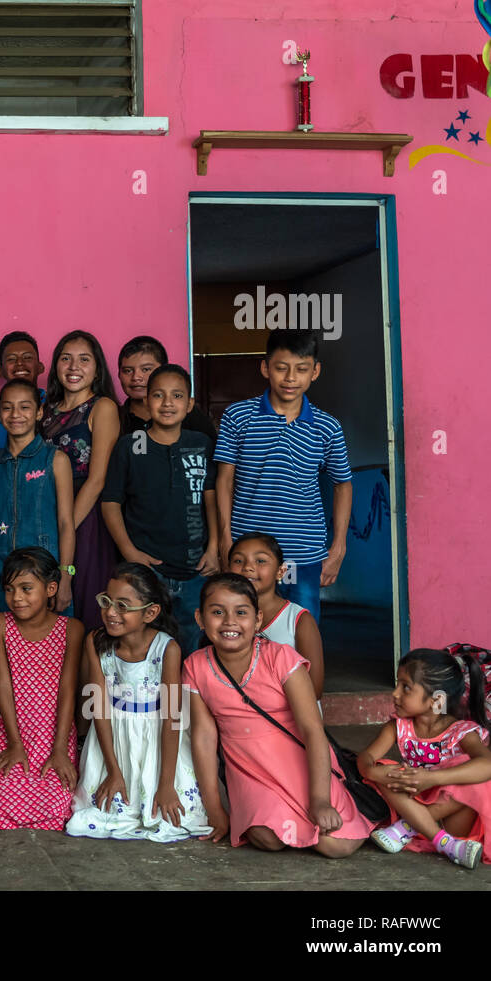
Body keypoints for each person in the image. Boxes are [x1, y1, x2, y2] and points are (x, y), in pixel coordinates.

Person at [184, 573, 372, 856]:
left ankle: (363, 806)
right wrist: (214, 808)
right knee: (269, 838)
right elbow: (203, 736)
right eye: (217, 612)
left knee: (336, 846)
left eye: (241, 612)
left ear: (257, 619)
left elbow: (312, 729)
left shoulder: (281, 657)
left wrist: (320, 799)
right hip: (249, 769)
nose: (230, 621)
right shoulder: (195, 666)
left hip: (299, 759)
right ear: (200, 618)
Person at [214, 329, 352, 622]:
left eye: (301, 369)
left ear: (315, 372)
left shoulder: (328, 427)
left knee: (301, 630)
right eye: (281, 368)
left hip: (304, 551)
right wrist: (226, 539)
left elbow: (342, 484)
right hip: (246, 549)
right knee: (243, 627)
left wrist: (338, 547)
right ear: (265, 368)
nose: (291, 378)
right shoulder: (238, 416)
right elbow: (224, 479)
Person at [67, 563, 211, 841]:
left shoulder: (167, 648)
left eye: (122, 605)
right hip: (112, 739)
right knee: (108, 808)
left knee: (172, 810)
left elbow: (172, 718)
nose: (110, 612)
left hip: (159, 740)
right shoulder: (96, 641)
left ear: (150, 612)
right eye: (107, 601)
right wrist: (113, 770)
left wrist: (166, 784)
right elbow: (99, 706)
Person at [101, 364, 218, 655]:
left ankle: (185, 700)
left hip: (194, 568)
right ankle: (150, 700)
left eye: (177, 396)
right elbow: (110, 502)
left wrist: (214, 546)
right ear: (147, 400)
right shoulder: (129, 446)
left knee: (191, 643)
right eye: (158, 395)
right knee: (146, 646)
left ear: (190, 404)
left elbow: (211, 498)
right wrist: (130, 552)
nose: (167, 403)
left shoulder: (200, 444)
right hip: (147, 570)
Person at [359, 648, 491, 868]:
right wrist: (371, 770)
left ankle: (410, 827)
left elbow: (487, 765)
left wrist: (432, 779)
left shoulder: (461, 732)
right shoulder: (398, 727)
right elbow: (366, 756)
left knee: (475, 771)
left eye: (406, 687)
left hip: (452, 821)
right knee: (384, 768)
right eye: (397, 684)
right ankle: (444, 843)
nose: (395, 693)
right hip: (415, 807)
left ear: (436, 699)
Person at [0, 548, 84, 831]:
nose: (16, 598)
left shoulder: (72, 629)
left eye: (26, 588)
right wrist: (14, 743)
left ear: (51, 588)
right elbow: (2, 684)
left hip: (55, 733)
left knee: (57, 805)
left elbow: (68, 689)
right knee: (5, 806)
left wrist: (61, 748)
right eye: (10, 589)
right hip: (15, 731)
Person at [41, 330, 119, 633]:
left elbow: (98, 479)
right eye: (66, 359)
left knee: (84, 597)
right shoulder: (45, 409)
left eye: (84, 360)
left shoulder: (103, 407)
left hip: (85, 516)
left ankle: (90, 677)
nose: (74, 367)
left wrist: (66, 529)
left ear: (97, 367)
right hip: (49, 507)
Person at [0, 378, 75, 616]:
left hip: (45, 572)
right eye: (7, 407)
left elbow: (66, 523)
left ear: (39, 412)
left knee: (51, 645)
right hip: (1, 573)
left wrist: (66, 577)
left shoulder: (56, 459)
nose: (15, 414)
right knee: (6, 643)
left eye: (25, 407)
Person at [230, 532, 325, 699]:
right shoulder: (224, 618)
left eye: (260, 561)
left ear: (281, 571)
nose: (247, 567)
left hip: (290, 718)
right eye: (238, 561)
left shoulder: (298, 620)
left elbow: (314, 689)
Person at [116, 335, 217, 440]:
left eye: (146, 369)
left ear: (164, 371)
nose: (136, 377)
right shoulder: (113, 417)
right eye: (128, 371)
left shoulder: (190, 416)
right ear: (119, 374)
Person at [0, 331, 45, 459]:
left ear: (40, 367)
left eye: (27, 357)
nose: (20, 363)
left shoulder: (56, 407)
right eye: (11, 359)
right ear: (0, 371)